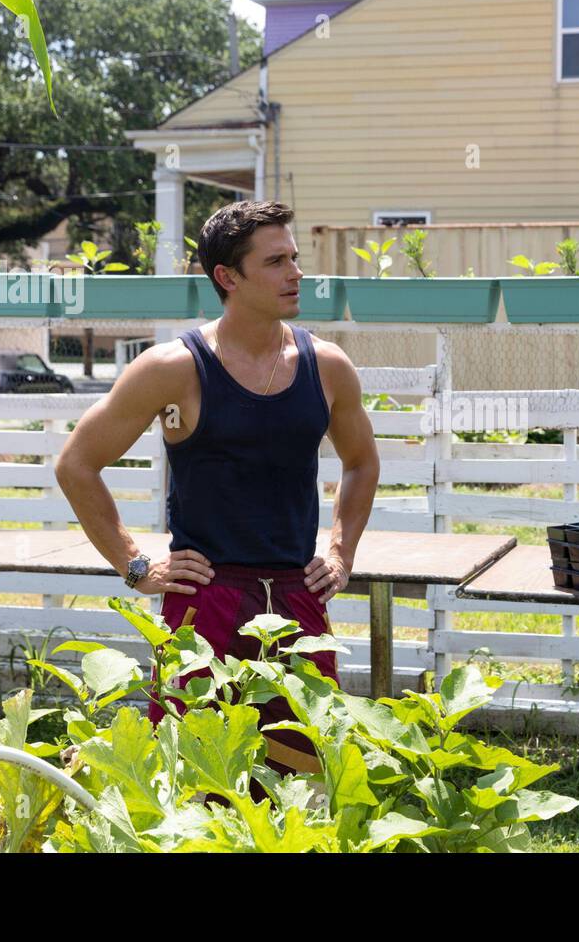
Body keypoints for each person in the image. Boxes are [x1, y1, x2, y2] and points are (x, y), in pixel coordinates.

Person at [56, 200, 380, 775]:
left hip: (297, 596)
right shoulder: (171, 367)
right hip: (204, 598)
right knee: (193, 777)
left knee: (304, 775)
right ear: (227, 277)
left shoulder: (327, 366)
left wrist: (340, 550)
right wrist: (135, 566)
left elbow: (362, 463)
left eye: (294, 258)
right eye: (276, 262)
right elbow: (77, 465)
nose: (296, 274)